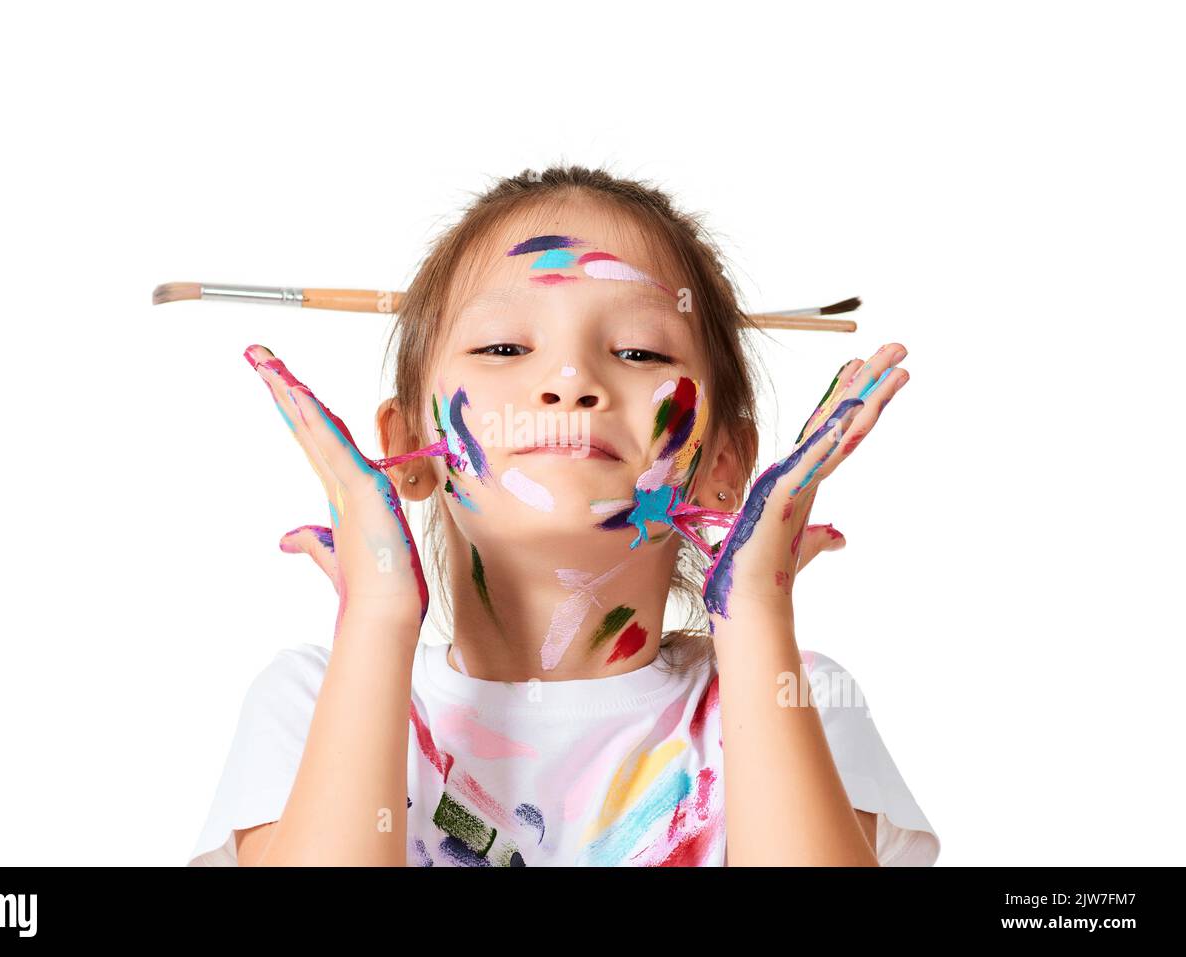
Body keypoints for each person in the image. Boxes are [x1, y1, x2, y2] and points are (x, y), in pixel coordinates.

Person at [188, 164, 939, 867]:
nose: (571, 380)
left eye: (640, 352)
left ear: (724, 464)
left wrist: (757, 619)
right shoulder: (318, 698)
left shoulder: (784, 695)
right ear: (411, 448)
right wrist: (378, 614)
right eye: (505, 344)